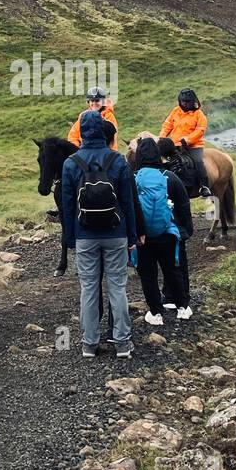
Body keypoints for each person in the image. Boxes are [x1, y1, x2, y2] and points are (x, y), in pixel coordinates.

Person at [61, 110, 140, 358]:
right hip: (116, 233)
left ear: (82, 131)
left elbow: (66, 206)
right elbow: (128, 202)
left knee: (88, 288)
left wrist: (70, 238)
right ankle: (123, 344)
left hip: (85, 235)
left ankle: (89, 344)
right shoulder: (118, 161)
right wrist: (133, 236)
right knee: (117, 287)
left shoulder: (71, 163)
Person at [132, 136, 191, 325]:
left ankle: (156, 313)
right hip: (168, 234)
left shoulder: (134, 179)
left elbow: (129, 208)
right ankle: (182, 308)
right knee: (173, 270)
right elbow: (183, 206)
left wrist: (132, 235)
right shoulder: (170, 178)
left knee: (148, 275)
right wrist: (184, 233)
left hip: (143, 238)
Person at [160, 88, 212, 198]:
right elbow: (167, 125)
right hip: (175, 144)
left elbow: (200, 130)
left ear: (193, 101)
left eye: (188, 102)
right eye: (183, 101)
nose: (185, 104)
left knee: (198, 162)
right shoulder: (175, 111)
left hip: (194, 146)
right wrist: (162, 137)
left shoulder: (199, 114)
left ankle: (204, 186)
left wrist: (188, 139)